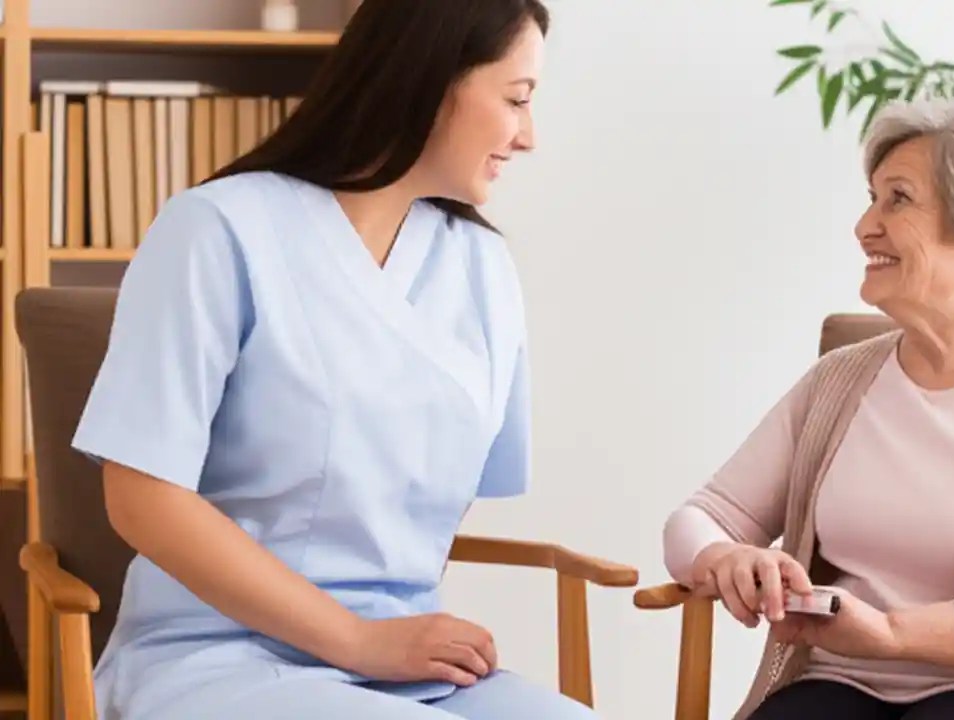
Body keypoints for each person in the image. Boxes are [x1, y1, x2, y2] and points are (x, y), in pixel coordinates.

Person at [71, 2, 598, 719]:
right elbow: (141, 498)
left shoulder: (483, 267)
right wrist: (355, 638)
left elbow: (435, 516)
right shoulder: (218, 230)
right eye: (516, 100)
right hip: (213, 656)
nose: (528, 136)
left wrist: (388, 642)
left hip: (407, 666)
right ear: (431, 79)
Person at [661, 90, 954, 720]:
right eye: (872, 199)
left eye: (899, 200)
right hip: (834, 686)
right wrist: (725, 556)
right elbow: (703, 515)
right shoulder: (839, 381)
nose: (865, 227)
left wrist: (893, 636)